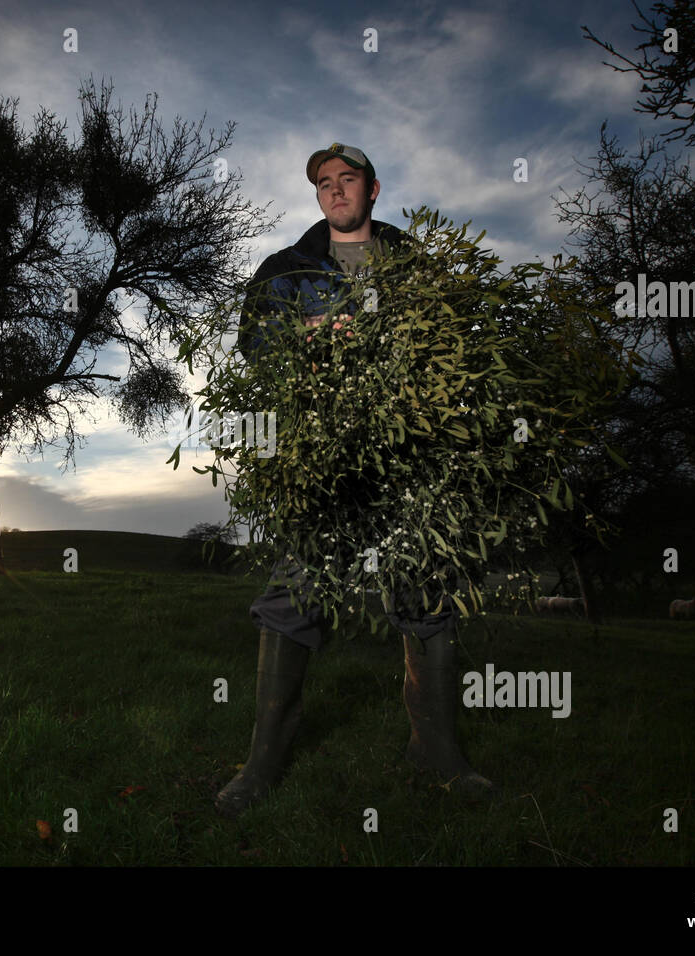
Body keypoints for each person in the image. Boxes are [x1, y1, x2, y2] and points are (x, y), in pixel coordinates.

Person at [215, 143, 494, 817]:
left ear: (372, 189)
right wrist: (307, 340)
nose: (335, 191)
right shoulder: (286, 269)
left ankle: (438, 753)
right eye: (323, 184)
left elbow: (452, 343)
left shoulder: (416, 266)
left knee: (427, 588)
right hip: (323, 450)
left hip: (408, 452)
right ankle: (264, 759)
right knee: (295, 588)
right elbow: (259, 347)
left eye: (347, 180)